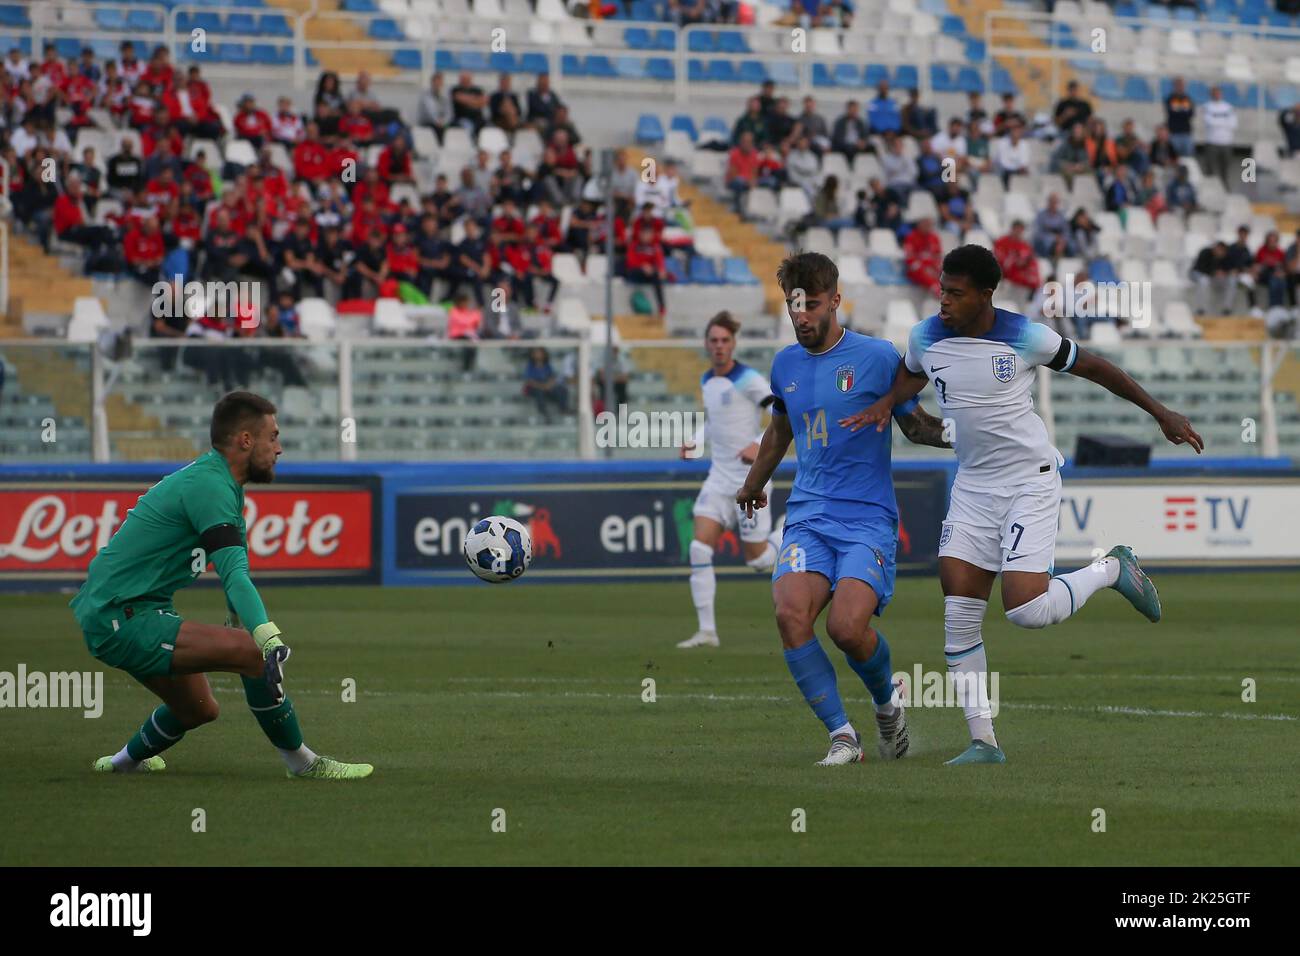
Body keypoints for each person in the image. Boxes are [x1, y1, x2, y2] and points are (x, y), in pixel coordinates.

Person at [842, 244, 1204, 765]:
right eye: (941, 289)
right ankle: (983, 742)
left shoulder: (1024, 335)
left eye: (955, 293)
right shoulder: (926, 336)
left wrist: (1160, 412)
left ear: (986, 296)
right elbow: (909, 377)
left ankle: (1112, 568)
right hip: (972, 485)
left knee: (1027, 609)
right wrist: (883, 403)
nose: (943, 300)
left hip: (1029, 482)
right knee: (959, 611)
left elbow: (1097, 367)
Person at [70, 392, 372, 780]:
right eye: (273, 437)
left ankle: (122, 764)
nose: (279, 449)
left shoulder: (219, 482)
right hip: (121, 615)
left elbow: (233, 568)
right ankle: (303, 764)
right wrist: (265, 638)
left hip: (131, 610)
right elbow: (234, 573)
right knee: (252, 654)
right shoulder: (211, 487)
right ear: (246, 440)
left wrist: (237, 621)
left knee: (198, 709)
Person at [734, 252, 950, 765]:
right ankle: (842, 737)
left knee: (847, 630)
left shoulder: (877, 357)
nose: (801, 316)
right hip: (808, 517)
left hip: (867, 520)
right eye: (793, 306)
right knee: (790, 615)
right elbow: (780, 431)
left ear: (835, 300)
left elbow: (915, 425)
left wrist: (972, 435)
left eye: (811, 305)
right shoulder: (785, 363)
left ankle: (886, 707)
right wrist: (752, 484)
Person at [677, 311, 785, 649]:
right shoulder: (708, 380)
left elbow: (782, 411)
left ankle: (787, 530)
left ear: (733, 344)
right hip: (718, 479)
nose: (720, 346)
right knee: (698, 547)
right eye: (714, 341)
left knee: (757, 561)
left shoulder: (748, 378)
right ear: (706, 345)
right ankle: (707, 632)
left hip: (749, 482)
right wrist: (695, 438)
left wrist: (759, 442)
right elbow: (714, 421)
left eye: (725, 340)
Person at [1201, 85, 1237, 186]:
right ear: (1211, 94)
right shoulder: (1207, 106)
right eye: (1214, 93)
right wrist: (1224, 122)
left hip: (1226, 142)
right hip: (1212, 142)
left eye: (1218, 93)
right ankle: (1210, 188)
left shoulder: (1228, 107)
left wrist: (1217, 121)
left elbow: (1233, 124)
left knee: (1225, 168)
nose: (1216, 95)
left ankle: (1224, 187)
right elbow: (1209, 122)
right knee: (1210, 169)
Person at [522, 347, 568, 422]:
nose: (538, 355)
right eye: (536, 353)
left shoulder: (547, 365)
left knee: (561, 389)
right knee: (539, 392)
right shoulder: (530, 366)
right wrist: (542, 386)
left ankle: (563, 409)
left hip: (546, 386)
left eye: (540, 353)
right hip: (535, 387)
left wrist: (548, 385)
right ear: (533, 355)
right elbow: (529, 381)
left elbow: (552, 377)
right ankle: (543, 413)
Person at [447, 292, 482, 371]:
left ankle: (470, 367)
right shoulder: (453, 311)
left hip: (468, 336)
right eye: (464, 302)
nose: (466, 304)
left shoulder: (467, 311)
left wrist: (474, 316)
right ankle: (465, 368)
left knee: (472, 342)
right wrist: (474, 316)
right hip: (456, 335)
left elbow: (477, 321)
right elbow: (465, 321)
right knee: (469, 342)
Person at [1164, 76, 1195, 158]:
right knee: (1174, 157)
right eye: (1178, 84)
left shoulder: (1187, 98)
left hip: (1186, 132)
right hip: (1174, 132)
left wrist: (1179, 110)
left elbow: (1190, 113)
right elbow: (1172, 112)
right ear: (1174, 85)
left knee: (1188, 157)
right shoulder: (1170, 98)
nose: (1180, 86)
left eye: (1182, 85)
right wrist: (1183, 110)